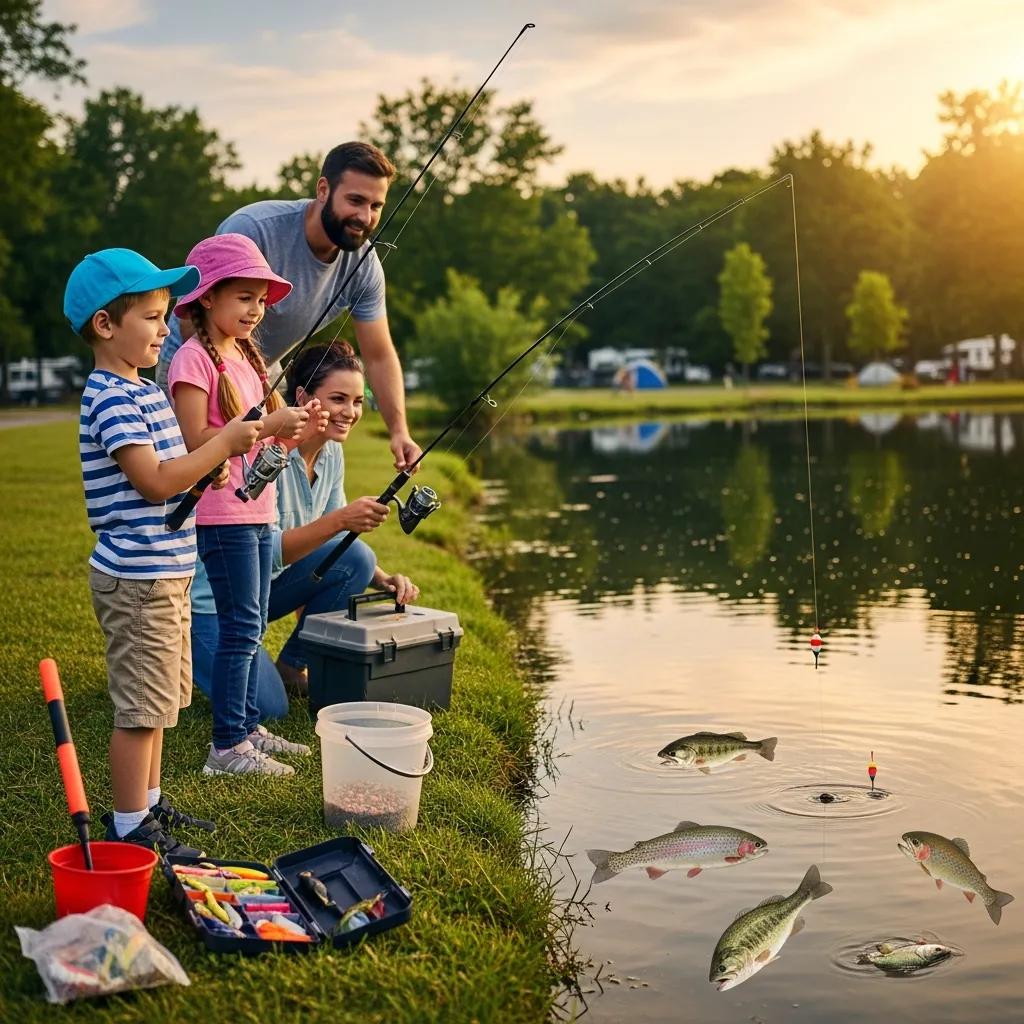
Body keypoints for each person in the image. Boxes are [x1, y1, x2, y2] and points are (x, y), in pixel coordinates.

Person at [66, 247, 264, 853]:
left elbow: (176, 469)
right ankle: (130, 827)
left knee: (163, 699)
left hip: (168, 573)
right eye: (152, 317)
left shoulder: (147, 392)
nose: (165, 327)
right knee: (140, 710)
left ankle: (149, 807)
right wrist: (225, 442)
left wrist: (205, 469)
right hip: (137, 579)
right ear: (106, 325)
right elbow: (153, 480)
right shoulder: (110, 398)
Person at [157, 141, 421, 474]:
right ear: (323, 189)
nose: (365, 217)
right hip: (197, 359)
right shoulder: (254, 229)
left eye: (376, 205)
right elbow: (191, 320)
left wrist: (399, 431)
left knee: (261, 481)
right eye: (355, 201)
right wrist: (240, 398)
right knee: (190, 473)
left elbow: (379, 355)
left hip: (261, 369)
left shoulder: (364, 266)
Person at [189, 340, 420, 712]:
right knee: (269, 709)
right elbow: (270, 549)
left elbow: (341, 544)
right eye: (338, 399)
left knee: (357, 559)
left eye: (358, 401)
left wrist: (383, 579)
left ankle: (291, 664)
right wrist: (340, 520)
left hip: (265, 590)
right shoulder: (270, 453)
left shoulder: (332, 453)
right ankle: (194, 655)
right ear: (303, 396)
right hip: (216, 602)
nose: (350, 412)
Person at [167, 234, 324, 777]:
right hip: (220, 515)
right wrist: (265, 428)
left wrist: (300, 429)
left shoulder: (249, 357)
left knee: (252, 626)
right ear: (207, 297)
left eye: (262, 300)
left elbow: (266, 441)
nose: (257, 310)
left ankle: (246, 725)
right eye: (245, 298)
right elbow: (196, 441)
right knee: (239, 627)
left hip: (258, 512)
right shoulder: (192, 360)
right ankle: (227, 748)